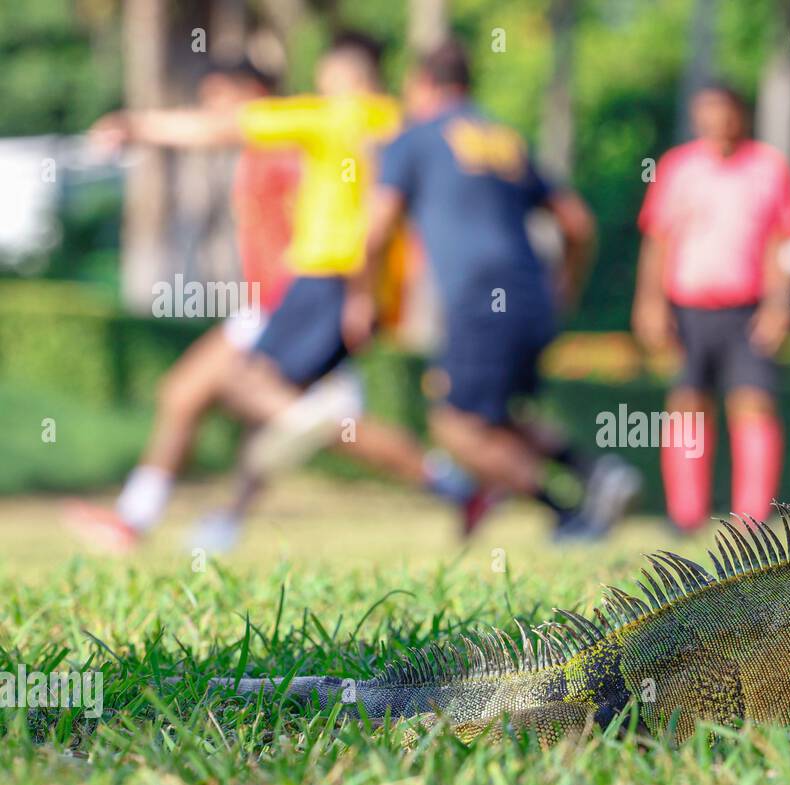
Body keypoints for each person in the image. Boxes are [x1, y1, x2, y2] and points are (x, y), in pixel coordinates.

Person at [68, 34, 476, 552]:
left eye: (217, 95)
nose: (210, 107)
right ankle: (453, 486)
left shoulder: (306, 132)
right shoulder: (397, 124)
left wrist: (135, 125)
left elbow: (219, 131)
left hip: (300, 294)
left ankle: (134, 520)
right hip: (348, 293)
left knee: (194, 392)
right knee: (317, 423)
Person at [348, 40, 640, 538]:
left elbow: (376, 229)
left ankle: (570, 514)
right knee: (496, 416)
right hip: (528, 294)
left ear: (422, 83)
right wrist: (563, 286)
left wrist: (360, 298)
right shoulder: (505, 139)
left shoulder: (415, 137)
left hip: (479, 294)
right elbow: (577, 223)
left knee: (454, 426)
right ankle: (598, 474)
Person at [632, 82, 790, 532]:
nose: (716, 121)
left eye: (724, 111)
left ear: (740, 115)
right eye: (706, 112)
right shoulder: (677, 168)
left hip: (747, 310)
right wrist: (649, 303)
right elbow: (657, 240)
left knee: (753, 405)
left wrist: (779, 305)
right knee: (688, 407)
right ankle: (685, 515)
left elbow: (783, 241)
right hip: (688, 309)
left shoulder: (770, 168)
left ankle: (751, 520)